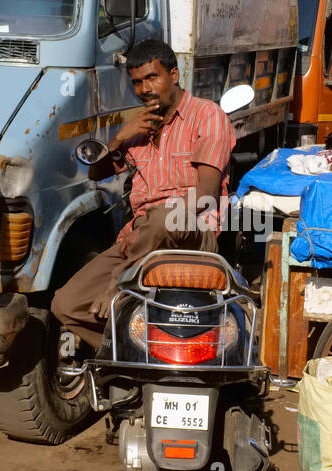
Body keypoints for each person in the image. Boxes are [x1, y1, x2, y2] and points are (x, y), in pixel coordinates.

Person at [52, 39, 236, 349]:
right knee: (65, 304)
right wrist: (120, 137)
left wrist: (119, 275)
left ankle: (118, 285)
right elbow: (95, 173)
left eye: (153, 77)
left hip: (192, 229)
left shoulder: (207, 115)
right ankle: (137, 350)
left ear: (174, 75)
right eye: (137, 82)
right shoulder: (138, 128)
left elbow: (206, 193)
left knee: (163, 216)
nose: (145, 89)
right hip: (141, 237)